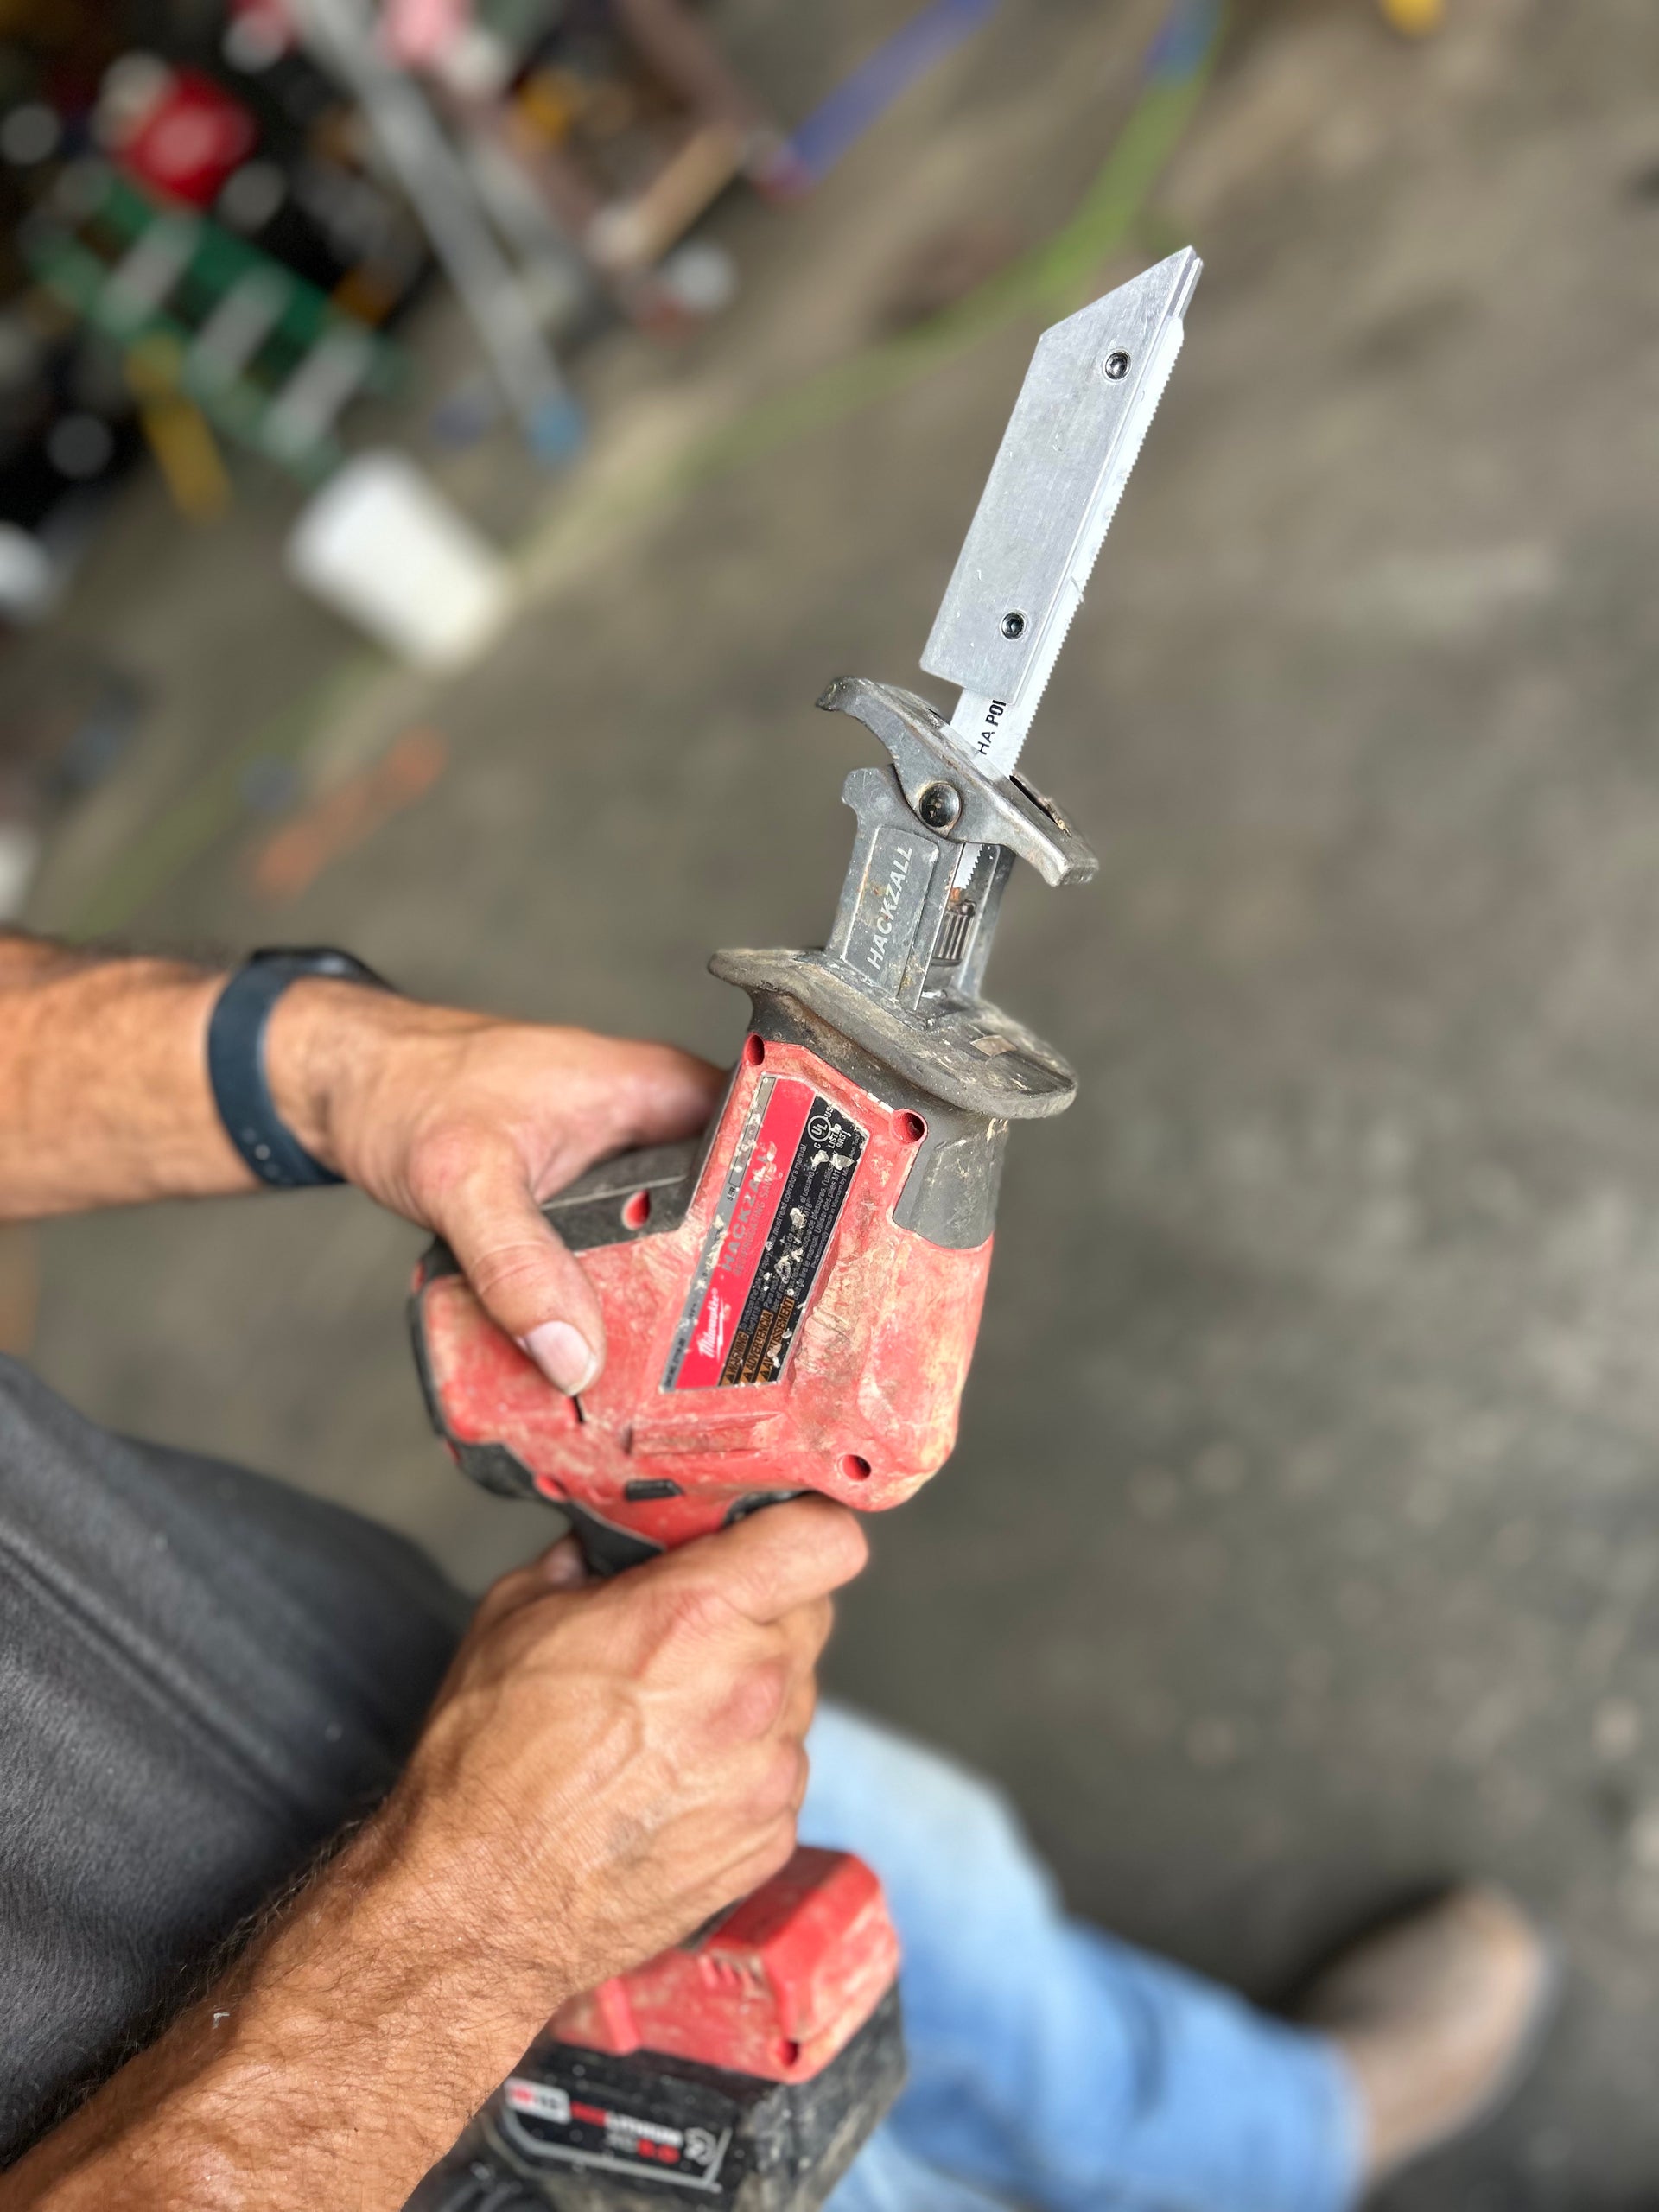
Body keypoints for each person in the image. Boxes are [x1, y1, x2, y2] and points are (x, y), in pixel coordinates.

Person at [0, 932, 1553, 2211]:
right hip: (382, 2112)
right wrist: (482, 1911)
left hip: (410, 1669)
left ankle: (1268, 2137)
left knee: (934, 1882)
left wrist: (315, 1061)